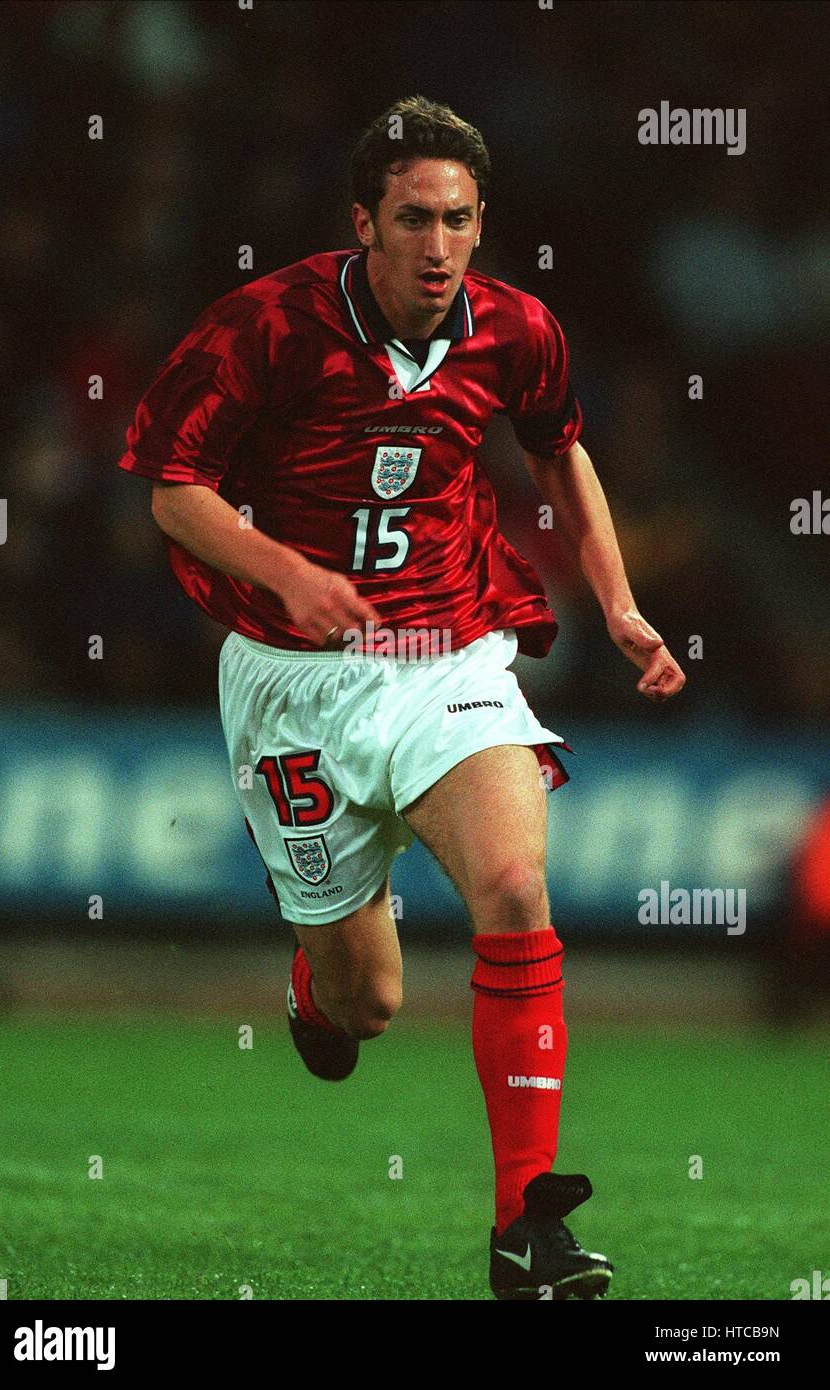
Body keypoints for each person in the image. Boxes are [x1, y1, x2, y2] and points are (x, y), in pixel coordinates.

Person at [118, 96, 685, 1300]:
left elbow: (557, 448)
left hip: (449, 650)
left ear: (483, 226)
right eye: (414, 218)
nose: (438, 246)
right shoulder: (265, 325)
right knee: (363, 1004)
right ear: (361, 223)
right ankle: (313, 988)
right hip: (290, 677)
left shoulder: (516, 331)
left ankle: (521, 1229)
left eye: (460, 220)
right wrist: (289, 574)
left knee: (515, 882)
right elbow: (174, 489)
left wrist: (619, 600)